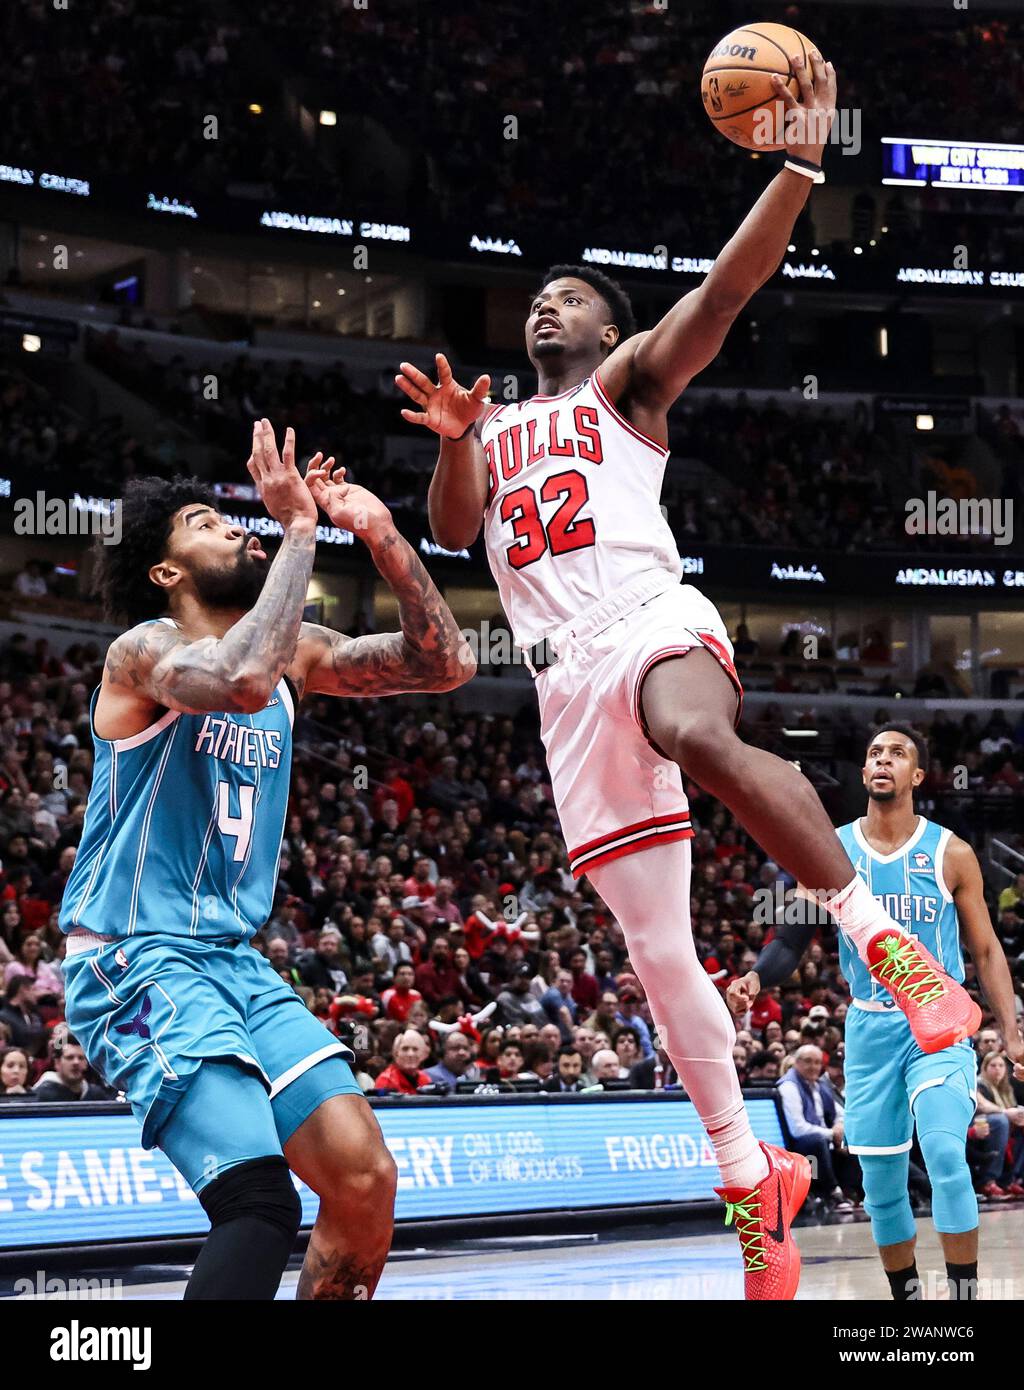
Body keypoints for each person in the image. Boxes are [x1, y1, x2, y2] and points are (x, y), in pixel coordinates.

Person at [400, 53, 975, 1301]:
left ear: (607, 330)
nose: (547, 309)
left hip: (649, 615)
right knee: (661, 957)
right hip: (560, 688)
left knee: (697, 731)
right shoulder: (493, 429)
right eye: (538, 300)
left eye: (570, 299)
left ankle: (885, 947)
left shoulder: (626, 387)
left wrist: (798, 166)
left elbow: (722, 291)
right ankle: (749, 1181)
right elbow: (452, 531)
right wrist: (454, 439)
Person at [58, 424, 474, 1301]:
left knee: (364, 1183)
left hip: (235, 964)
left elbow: (445, 664)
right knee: (257, 1203)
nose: (236, 527)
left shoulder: (297, 657)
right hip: (136, 957)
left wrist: (380, 536)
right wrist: (295, 533)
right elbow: (241, 680)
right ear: (166, 573)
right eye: (207, 523)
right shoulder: (142, 651)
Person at [731, 724, 1024, 1303]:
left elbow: (987, 950)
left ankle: (964, 1301)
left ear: (917, 776)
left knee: (944, 1152)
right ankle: (909, 1304)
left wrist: (1011, 1033)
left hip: (937, 1024)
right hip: (869, 1028)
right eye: (873, 754)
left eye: (897, 753)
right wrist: (756, 977)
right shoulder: (828, 848)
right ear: (864, 775)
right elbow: (791, 939)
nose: (882, 760)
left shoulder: (952, 852)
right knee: (882, 1188)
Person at [776, 1046, 851, 1211]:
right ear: (797, 1063)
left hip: (825, 1139)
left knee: (852, 1141)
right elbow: (797, 1129)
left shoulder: (820, 1086)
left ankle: (858, 1192)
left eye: (817, 1062)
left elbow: (841, 1114)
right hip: (798, 1146)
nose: (813, 1067)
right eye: (808, 1061)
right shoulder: (789, 1087)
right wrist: (832, 1134)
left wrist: (839, 1127)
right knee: (817, 1142)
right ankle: (832, 1192)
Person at [33, 1033, 108, 1102]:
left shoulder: (96, 1095)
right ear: (57, 1063)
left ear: (86, 1063)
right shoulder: (41, 1095)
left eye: (81, 1058)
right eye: (70, 1057)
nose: (76, 1062)